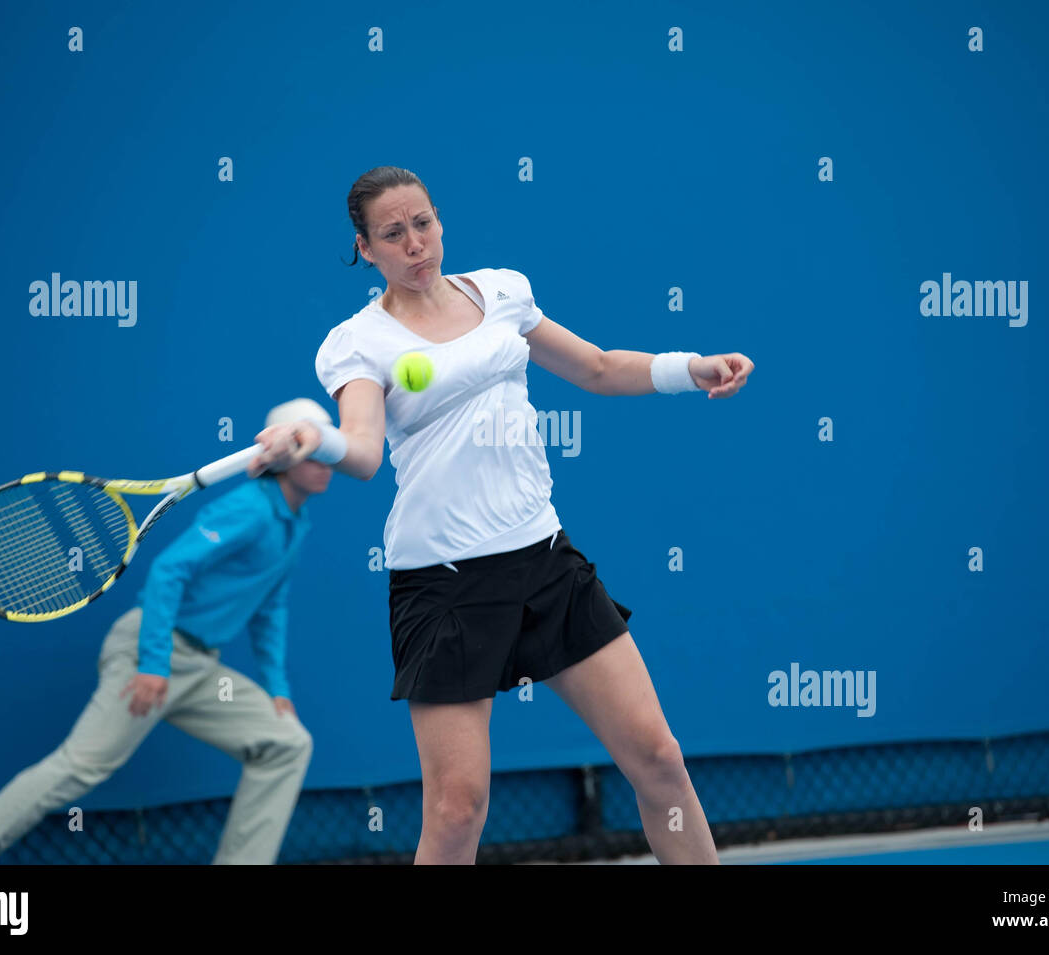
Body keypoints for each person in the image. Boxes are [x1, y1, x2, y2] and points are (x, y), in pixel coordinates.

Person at [252, 166, 753, 864]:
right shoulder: (358, 341)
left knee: (658, 756)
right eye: (393, 234)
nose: (415, 244)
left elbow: (600, 368)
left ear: (439, 220)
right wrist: (318, 439)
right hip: (444, 586)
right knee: (458, 810)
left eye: (422, 222)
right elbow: (364, 451)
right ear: (365, 249)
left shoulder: (503, 292)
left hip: (546, 561)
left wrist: (688, 366)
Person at [0, 399, 332, 866]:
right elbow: (168, 572)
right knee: (79, 767)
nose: (325, 460)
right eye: (309, 447)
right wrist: (153, 663)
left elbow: (270, 608)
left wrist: (277, 688)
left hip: (202, 669)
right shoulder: (249, 509)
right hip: (151, 648)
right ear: (280, 457)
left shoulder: (295, 523)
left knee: (286, 743)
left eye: (324, 447)